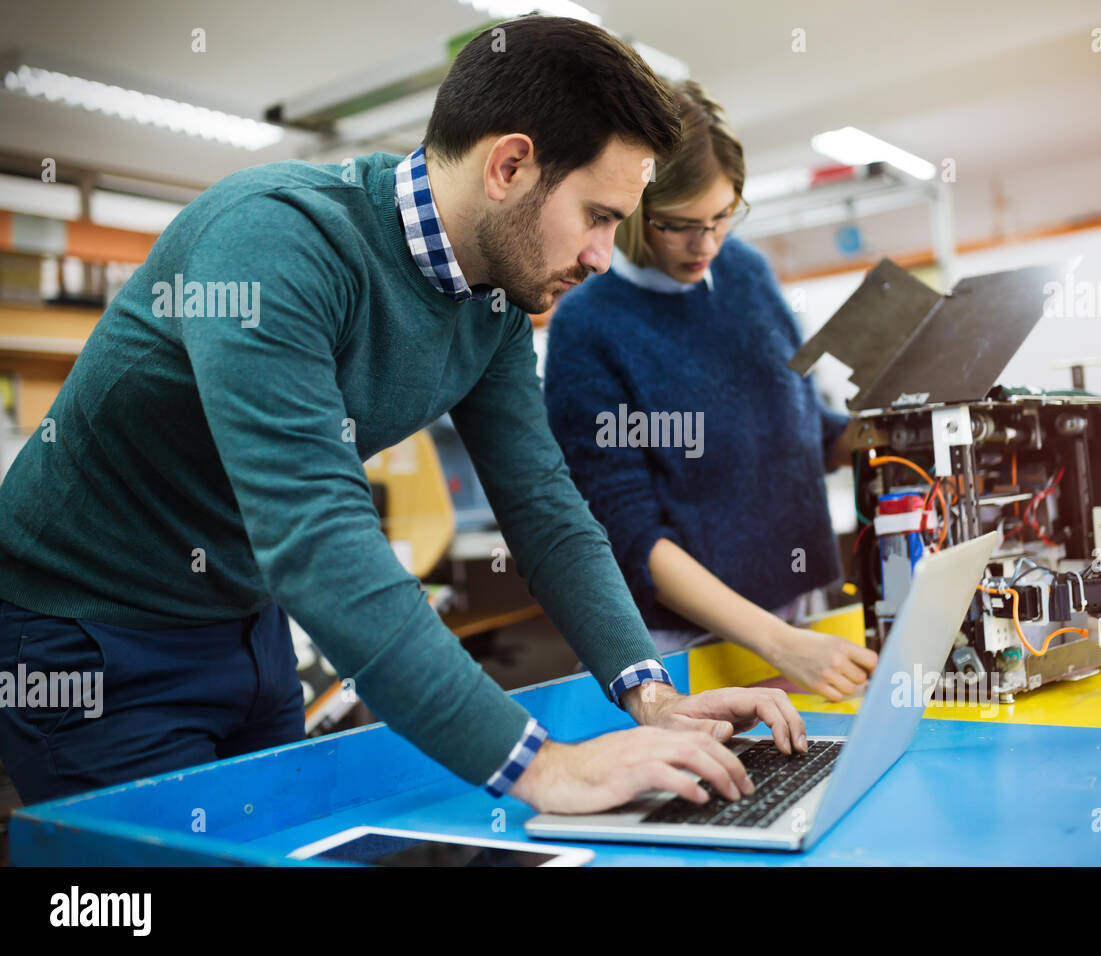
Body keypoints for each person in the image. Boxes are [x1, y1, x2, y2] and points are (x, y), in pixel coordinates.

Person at [0, 17, 806, 811]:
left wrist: (650, 693)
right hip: (87, 635)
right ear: (510, 166)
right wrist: (544, 768)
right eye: (597, 215)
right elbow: (316, 533)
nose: (602, 256)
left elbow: (546, 508)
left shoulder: (492, 305)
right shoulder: (273, 239)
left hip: (250, 627)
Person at [544, 80, 877, 702]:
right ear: (634, 207)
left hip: (802, 614)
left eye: (723, 216)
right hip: (689, 646)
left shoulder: (745, 273)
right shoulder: (591, 326)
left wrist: (896, 412)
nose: (707, 244)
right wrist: (779, 644)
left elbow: (809, 430)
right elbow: (631, 536)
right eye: (680, 226)